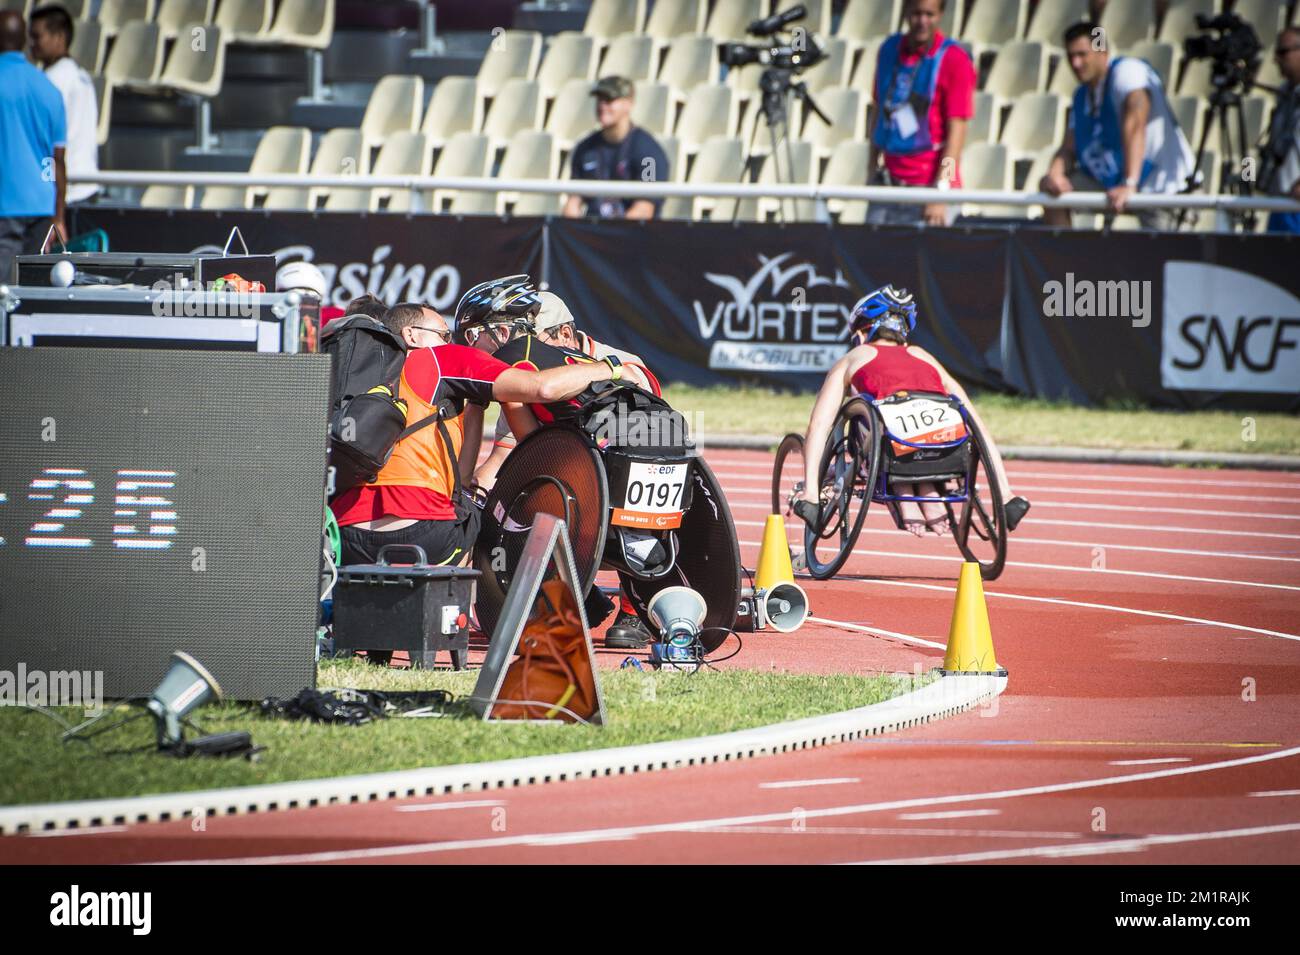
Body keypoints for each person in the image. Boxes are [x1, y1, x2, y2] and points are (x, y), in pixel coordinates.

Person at [455, 276, 672, 649]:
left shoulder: (618, 363)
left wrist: (611, 369)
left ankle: (637, 606)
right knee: (514, 499)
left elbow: (550, 396)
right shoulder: (523, 369)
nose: (539, 350)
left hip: (634, 461)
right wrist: (470, 495)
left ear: (565, 334)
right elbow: (521, 449)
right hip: (582, 464)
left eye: (543, 340)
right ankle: (582, 599)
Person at [329, 300, 618, 575]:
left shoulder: (357, 377)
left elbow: (462, 478)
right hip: (424, 532)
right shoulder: (438, 358)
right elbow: (542, 388)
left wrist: (475, 403)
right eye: (443, 334)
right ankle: (517, 614)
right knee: (507, 516)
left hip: (345, 537)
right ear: (412, 335)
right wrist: (611, 367)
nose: (450, 342)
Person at [795, 285, 1029, 537]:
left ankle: (904, 494)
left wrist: (811, 494)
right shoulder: (922, 355)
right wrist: (1003, 492)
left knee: (863, 413)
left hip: (890, 449)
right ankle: (1006, 497)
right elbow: (973, 419)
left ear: (864, 330)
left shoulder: (855, 356)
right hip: (946, 448)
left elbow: (819, 424)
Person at [1040, 21, 1195, 231]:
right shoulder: (1081, 96)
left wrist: (1130, 183)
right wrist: (1055, 174)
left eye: (1082, 54)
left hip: (1163, 188)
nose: (1075, 63)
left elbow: (1135, 124)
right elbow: (1069, 148)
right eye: (1070, 56)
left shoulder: (1128, 72)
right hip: (1113, 185)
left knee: (1166, 259)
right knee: (1049, 190)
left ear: (1101, 49)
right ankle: (1065, 259)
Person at [867, 0, 975, 227]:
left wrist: (941, 191)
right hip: (889, 186)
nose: (923, 21)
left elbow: (958, 131)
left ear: (941, 14)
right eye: (916, 13)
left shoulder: (955, 59)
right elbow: (878, 108)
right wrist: (871, 168)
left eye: (930, 14)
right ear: (905, 12)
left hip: (930, 189)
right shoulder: (889, 50)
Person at [0, 9, 66, 282]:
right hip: (41, 206)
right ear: (25, 39)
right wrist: (59, 216)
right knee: (32, 296)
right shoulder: (49, 88)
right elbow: (58, 160)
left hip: (5, 207)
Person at [562, 76, 669, 220]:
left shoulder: (649, 154)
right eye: (599, 99)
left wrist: (609, 235)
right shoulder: (585, 148)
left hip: (634, 237)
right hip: (592, 234)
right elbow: (572, 204)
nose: (602, 106)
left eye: (609, 100)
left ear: (629, 104)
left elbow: (644, 208)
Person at [29, 5, 99, 209]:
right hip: (85, 189)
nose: (31, 44)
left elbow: (47, 144)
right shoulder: (82, 77)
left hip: (62, 196)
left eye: (37, 36)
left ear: (59, 37)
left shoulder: (50, 82)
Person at [1262, 27, 1300, 234]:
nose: (1276, 60)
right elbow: (1259, 150)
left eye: (1283, 52)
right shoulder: (1284, 96)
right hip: (1280, 204)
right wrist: (1248, 176)